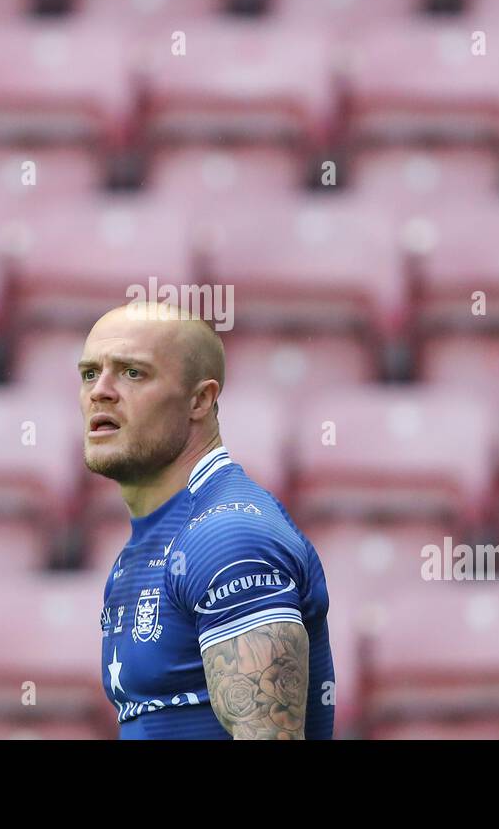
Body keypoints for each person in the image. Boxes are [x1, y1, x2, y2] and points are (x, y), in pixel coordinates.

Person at [80, 300, 334, 739]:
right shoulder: (155, 537)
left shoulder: (226, 539)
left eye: (132, 372)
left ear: (200, 399)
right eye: (89, 373)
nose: (100, 391)